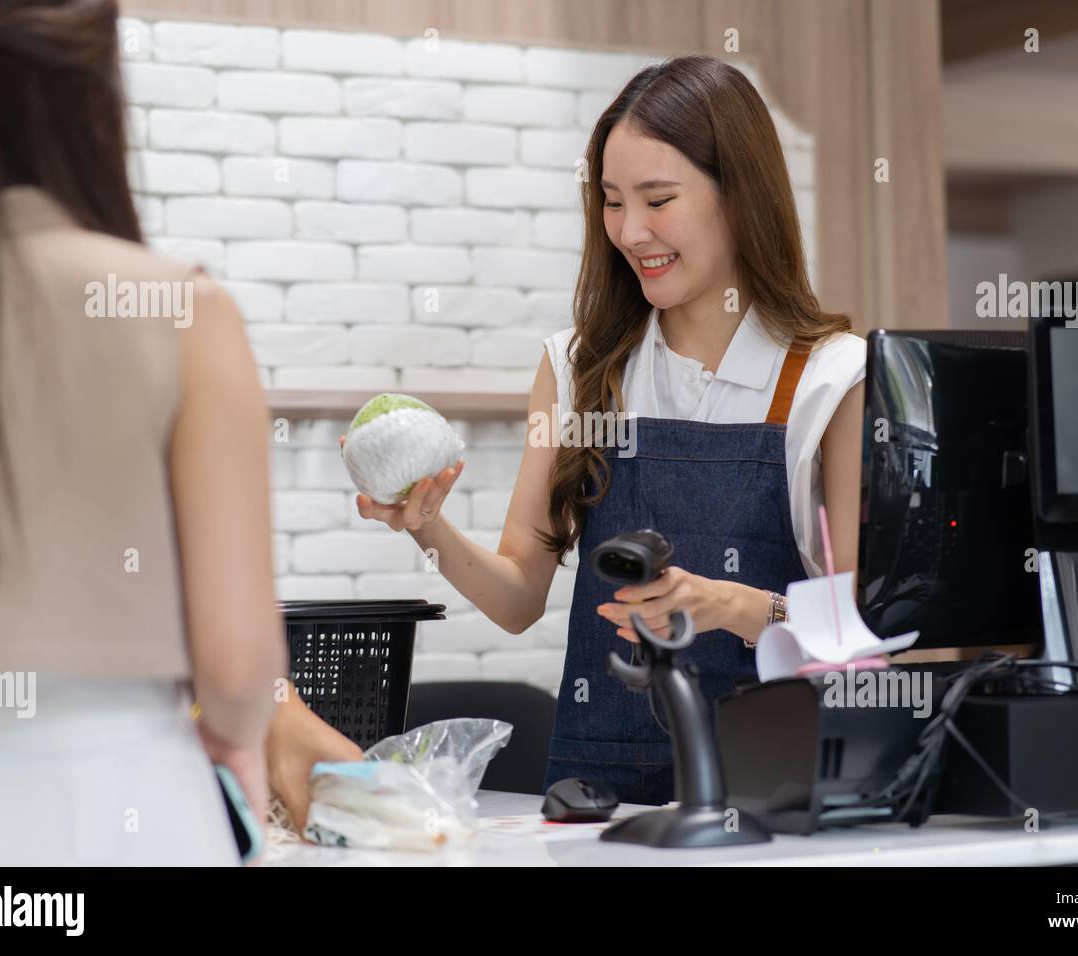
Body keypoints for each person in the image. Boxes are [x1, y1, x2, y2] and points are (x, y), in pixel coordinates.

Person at [277, 54, 868, 810]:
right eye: (612, 202)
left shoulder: (829, 376)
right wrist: (427, 528)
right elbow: (521, 595)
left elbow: (856, 627)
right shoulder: (580, 368)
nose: (629, 231)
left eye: (659, 199)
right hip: (600, 798)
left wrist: (734, 607)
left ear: (740, 196)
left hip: (780, 798)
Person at [0, 0, 286, 865]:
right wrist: (239, 739)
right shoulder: (183, 311)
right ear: (94, 96)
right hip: (124, 801)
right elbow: (238, 670)